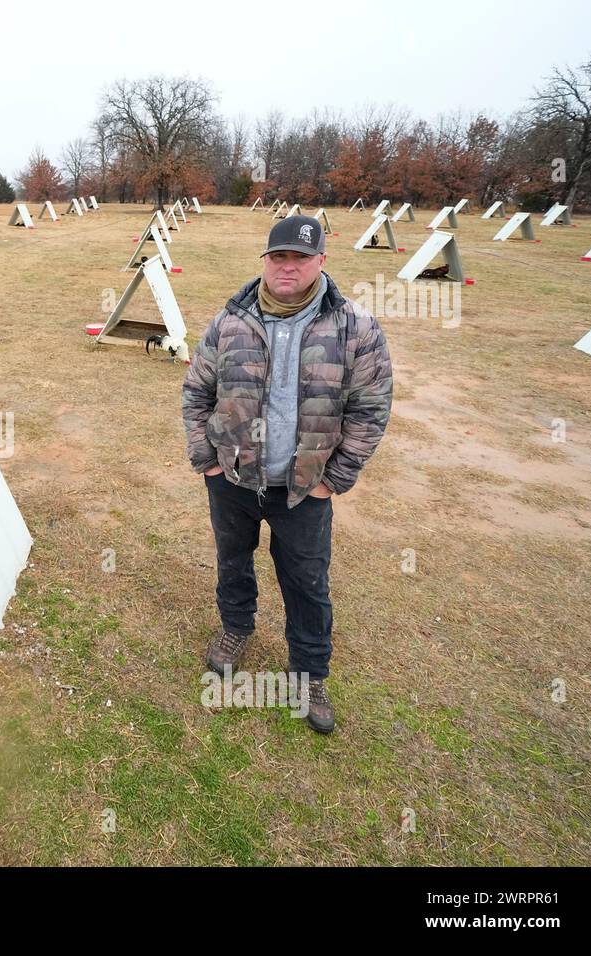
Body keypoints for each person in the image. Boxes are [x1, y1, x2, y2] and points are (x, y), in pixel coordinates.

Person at [181, 215, 393, 733]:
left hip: (304, 490)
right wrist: (206, 459)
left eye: (300, 258)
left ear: (321, 261)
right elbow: (196, 392)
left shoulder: (354, 327)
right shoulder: (230, 321)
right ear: (265, 261)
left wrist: (333, 478)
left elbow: (371, 408)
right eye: (279, 257)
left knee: (306, 580)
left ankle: (309, 672)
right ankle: (236, 628)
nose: (288, 267)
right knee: (233, 559)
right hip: (232, 480)